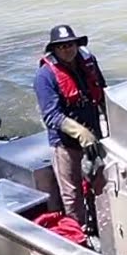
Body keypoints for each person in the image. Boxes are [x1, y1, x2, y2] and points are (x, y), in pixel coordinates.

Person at [33, 23, 108, 226]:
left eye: (70, 44)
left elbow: (103, 93)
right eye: (62, 46)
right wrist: (80, 132)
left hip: (95, 136)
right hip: (66, 143)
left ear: (76, 44)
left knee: (101, 183)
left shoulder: (89, 63)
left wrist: (113, 123)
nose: (67, 49)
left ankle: (101, 224)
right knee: (72, 194)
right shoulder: (45, 76)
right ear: (55, 49)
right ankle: (78, 230)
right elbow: (51, 116)